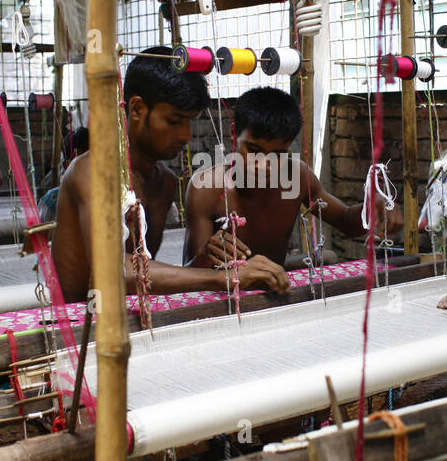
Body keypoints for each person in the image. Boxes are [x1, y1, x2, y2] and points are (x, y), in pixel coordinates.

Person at [51, 48, 289, 303]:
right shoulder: (92, 172)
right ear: (137, 109)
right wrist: (222, 279)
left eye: (189, 122)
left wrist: (208, 256)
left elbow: (146, 268)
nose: (186, 136)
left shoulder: (164, 182)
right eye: (175, 121)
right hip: (78, 328)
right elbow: (113, 271)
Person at [184, 86, 404, 268]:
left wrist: (374, 209)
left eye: (278, 154)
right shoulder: (206, 189)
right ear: (234, 135)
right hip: (218, 299)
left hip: (273, 291)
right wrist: (207, 255)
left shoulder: (297, 176)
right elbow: (192, 274)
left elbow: (345, 221)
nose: (264, 165)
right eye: (253, 150)